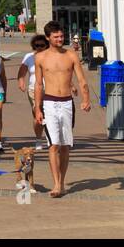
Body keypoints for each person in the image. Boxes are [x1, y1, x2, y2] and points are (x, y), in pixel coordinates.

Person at [35, 19, 93, 198]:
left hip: (67, 102)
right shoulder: (41, 57)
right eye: (56, 36)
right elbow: (38, 85)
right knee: (54, 144)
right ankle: (57, 184)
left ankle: (62, 179)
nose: (60, 39)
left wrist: (86, 99)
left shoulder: (71, 56)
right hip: (50, 103)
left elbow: (82, 80)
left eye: (62, 36)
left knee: (66, 145)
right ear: (48, 38)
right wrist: (37, 109)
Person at [16, 34, 50, 150]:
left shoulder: (51, 56)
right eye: (36, 46)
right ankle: (38, 139)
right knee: (38, 113)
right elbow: (22, 72)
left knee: (50, 114)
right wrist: (21, 81)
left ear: (46, 45)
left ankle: (51, 138)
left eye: (42, 45)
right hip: (33, 89)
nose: (39, 48)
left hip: (51, 89)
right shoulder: (29, 57)